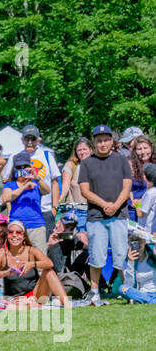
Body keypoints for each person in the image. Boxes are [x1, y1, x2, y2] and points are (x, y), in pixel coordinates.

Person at [77, 124, 133, 306]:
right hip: (96, 217)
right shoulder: (86, 163)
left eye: (106, 140)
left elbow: (127, 187)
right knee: (97, 255)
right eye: (99, 140)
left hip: (120, 215)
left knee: (121, 254)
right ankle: (94, 293)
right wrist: (105, 205)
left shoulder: (122, 160)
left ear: (112, 141)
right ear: (94, 143)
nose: (103, 144)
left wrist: (115, 205)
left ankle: (128, 290)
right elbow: (85, 190)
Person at [0, 222, 70, 307]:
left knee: (49, 272)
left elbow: (49, 263)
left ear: (23, 236)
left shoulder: (31, 251)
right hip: (14, 298)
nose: (14, 235)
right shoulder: (1, 253)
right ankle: (31, 305)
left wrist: (32, 264)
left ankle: (67, 304)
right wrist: (7, 272)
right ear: (7, 235)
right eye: (11, 232)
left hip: (35, 295)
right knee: (18, 305)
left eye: (18, 232)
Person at [2, 152, 50, 252]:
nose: (22, 170)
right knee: (17, 258)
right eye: (19, 167)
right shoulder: (10, 184)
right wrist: (24, 187)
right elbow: (6, 198)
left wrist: (37, 178)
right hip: (17, 227)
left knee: (40, 258)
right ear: (14, 169)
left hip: (36, 226)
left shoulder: (36, 183)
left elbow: (47, 190)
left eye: (25, 166)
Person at [59, 137, 93, 233]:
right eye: (79, 150)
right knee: (78, 244)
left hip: (94, 212)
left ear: (91, 150)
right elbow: (65, 187)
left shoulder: (98, 165)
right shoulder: (71, 165)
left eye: (85, 149)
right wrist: (57, 203)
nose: (82, 152)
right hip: (76, 211)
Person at [118, 225, 156, 304]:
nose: (136, 244)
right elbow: (129, 285)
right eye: (132, 240)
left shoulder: (153, 254)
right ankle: (150, 300)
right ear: (128, 243)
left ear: (144, 242)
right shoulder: (126, 261)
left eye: (138, 240)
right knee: (122, 288)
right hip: (142, 293)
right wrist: (130, 263)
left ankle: (144, 300)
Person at [128, 135, 154, 219]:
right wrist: (131, 199)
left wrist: (142, 201)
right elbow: (125, 187)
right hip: (132, 210)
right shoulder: (130, 165)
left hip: (152, 211)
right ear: (135, 151)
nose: (143, 152)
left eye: (145, 148)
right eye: (139, 149)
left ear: (151, 148)